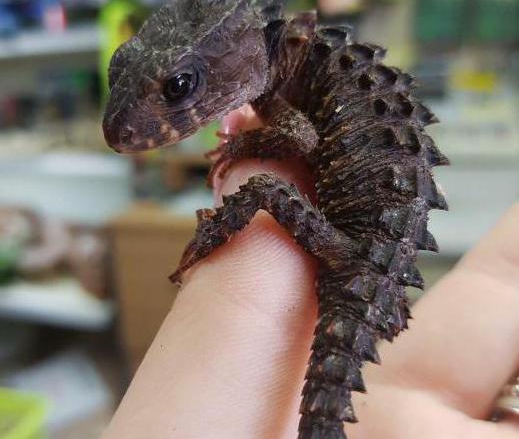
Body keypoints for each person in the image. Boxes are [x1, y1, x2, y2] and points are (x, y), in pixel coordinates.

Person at [102, 107, 519, 438]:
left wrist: (213, 219)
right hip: (374, 256)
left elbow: (277, 176)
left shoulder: (291, 85)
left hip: (355, 253)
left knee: (268, 188)